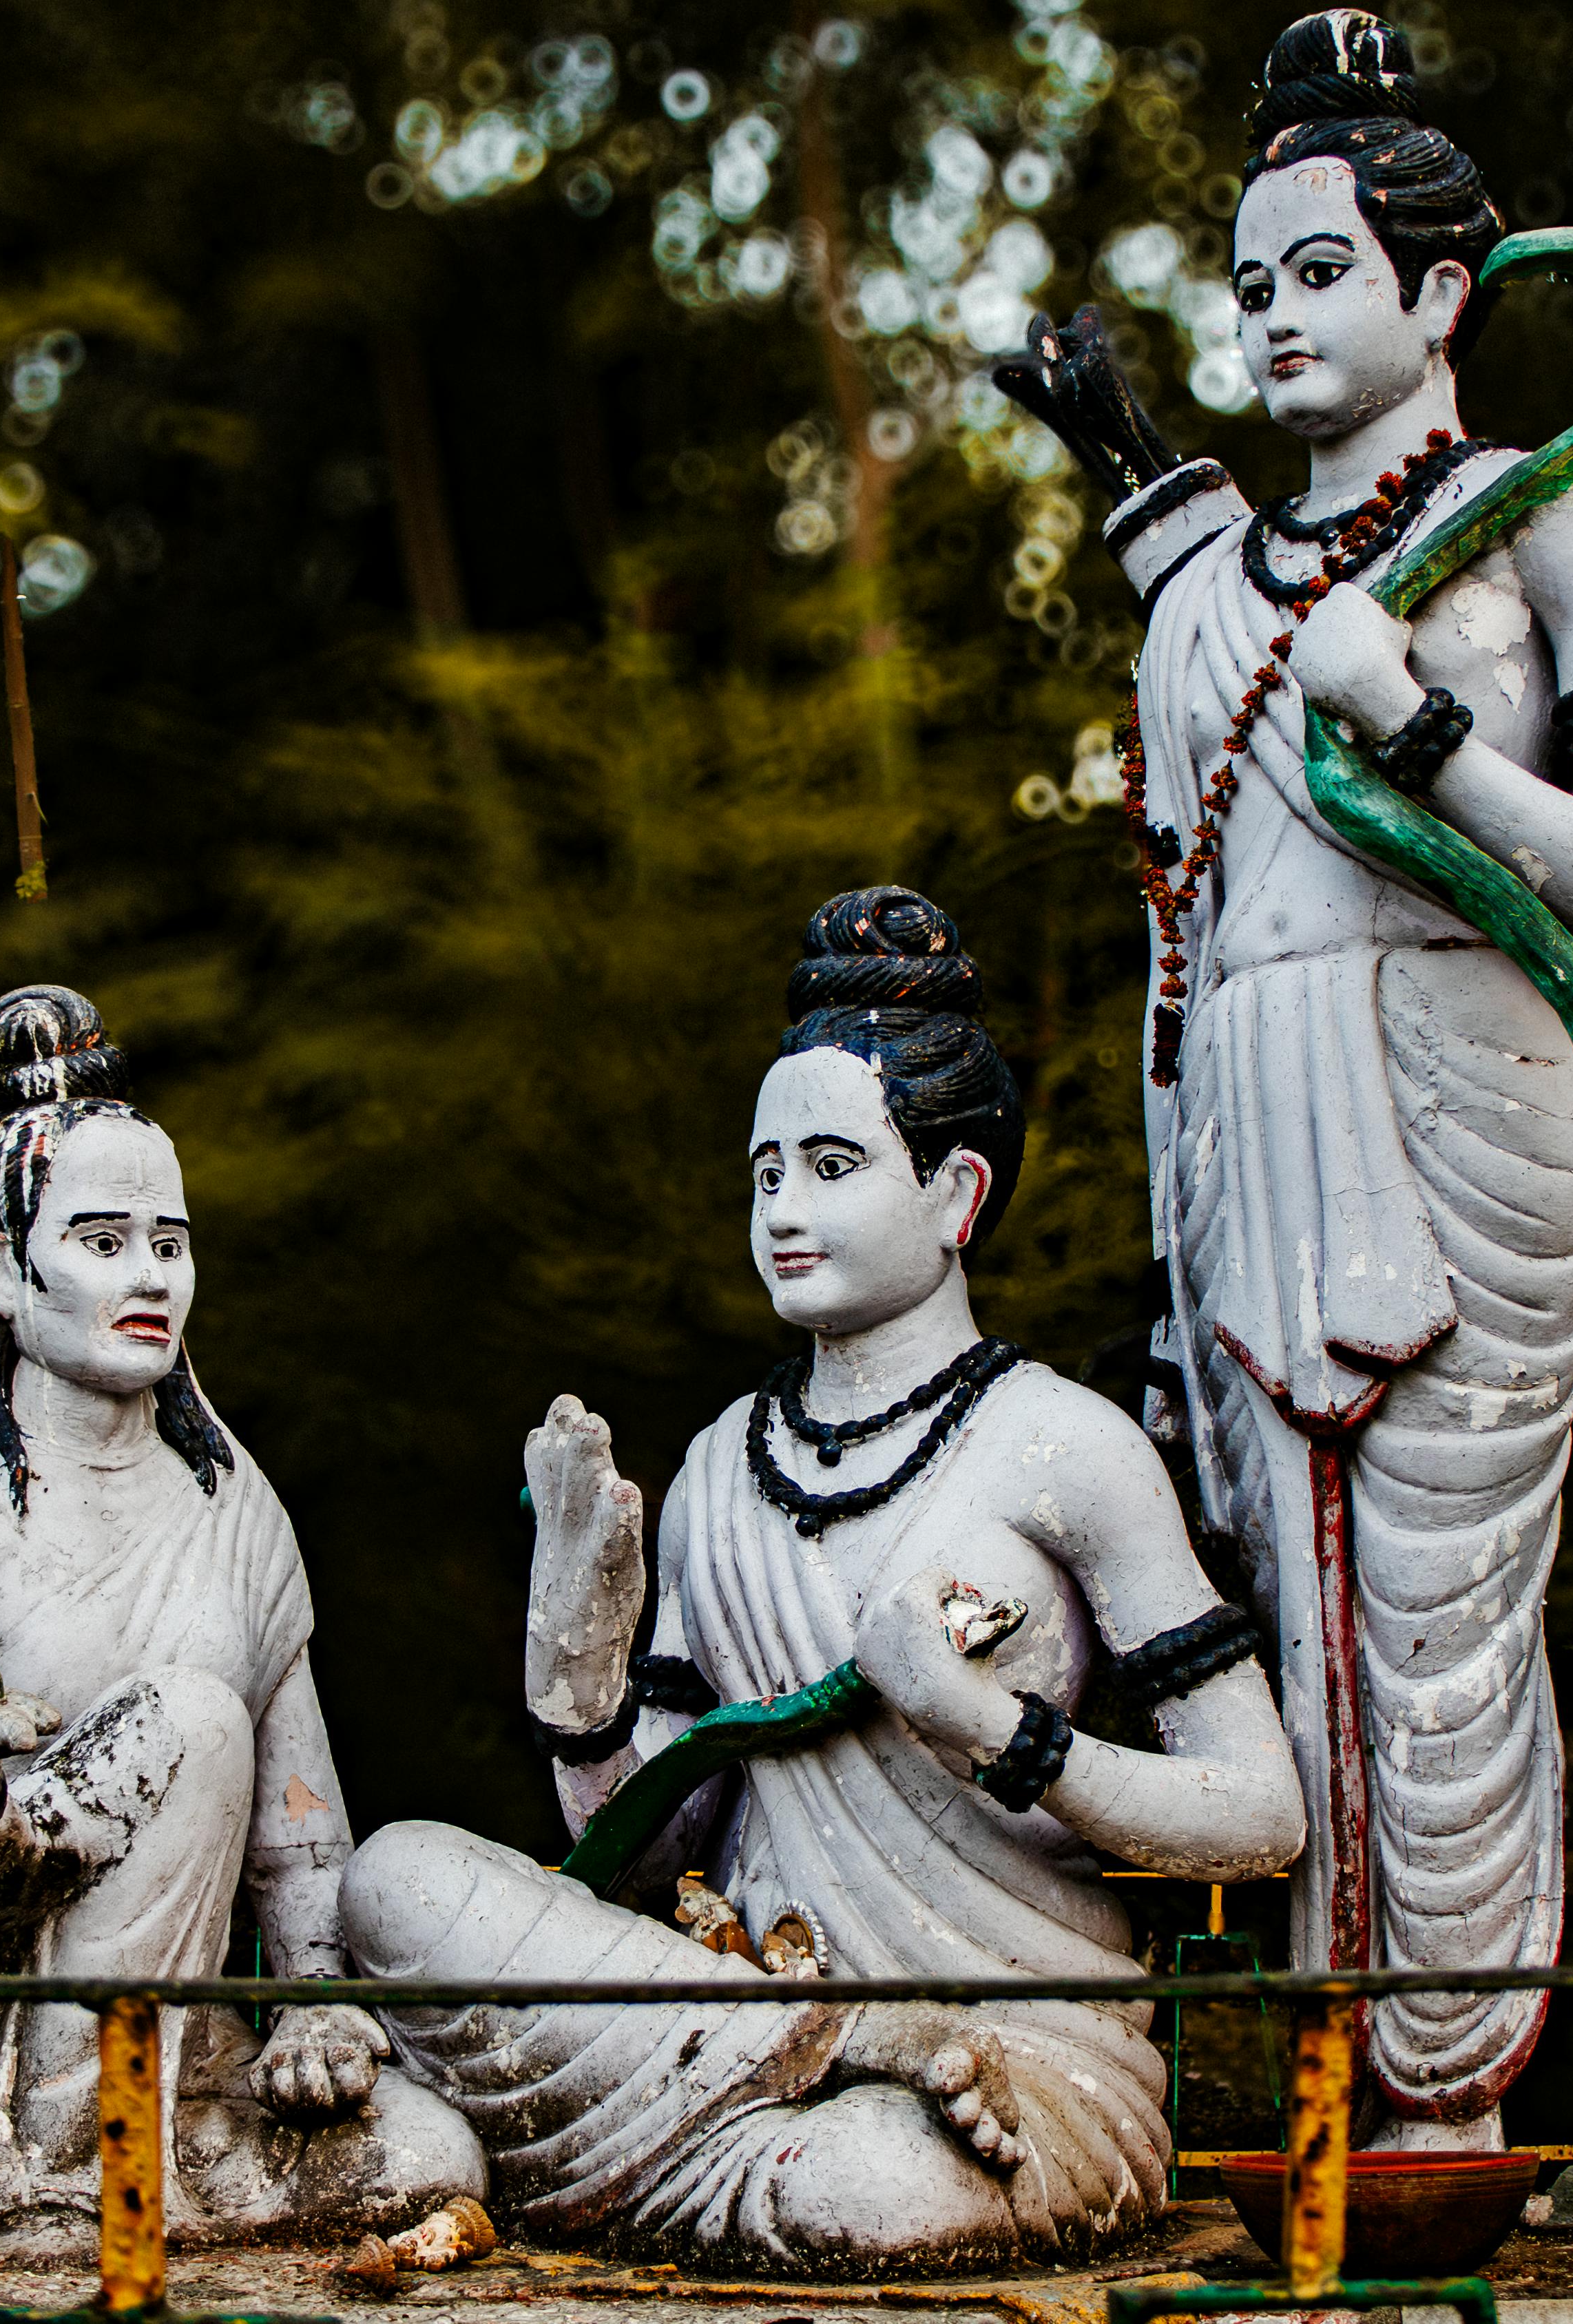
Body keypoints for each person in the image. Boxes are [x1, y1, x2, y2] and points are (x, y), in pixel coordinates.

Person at [1007, 10, 1573, 2152]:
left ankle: (1443, 2115)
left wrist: (1418, 733)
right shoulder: (1207, 586)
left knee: (1438, 1629)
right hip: (1250, 1117)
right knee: (1266, 1616)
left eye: (1323, 271)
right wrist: (1161, 1219)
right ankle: (1296, 2096)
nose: (1279, 318)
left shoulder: (1552, 516)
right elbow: (1171, 945)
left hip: (1467, 1090)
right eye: (1252, 283)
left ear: (1443, 295)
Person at [340, 890, 1306, 2276]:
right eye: (766, 1169)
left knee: (870, 2183)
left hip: (1017, 2052)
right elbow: (656, 1858)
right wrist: (578, 1677)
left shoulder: (1064, 1450)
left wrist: (996, 1732)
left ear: (956, 1193)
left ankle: (559, 2160)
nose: (785, 1208)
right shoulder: (725, 1465)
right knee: (395, 1879)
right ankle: (818, 2060)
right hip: (749, 2013)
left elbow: (1261, 1813)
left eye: (834, 1164)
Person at [0, 985, 483, 2252]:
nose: (150, 1277)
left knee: (428, 2152)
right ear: (6, 1276)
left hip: (169, 2038)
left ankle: (140, 2145)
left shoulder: (235, 1504)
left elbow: (303, 1840)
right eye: (102, 1240)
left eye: (170, 1242)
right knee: (186, 1714)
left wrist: (311, 2006)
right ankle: (65, 2169)